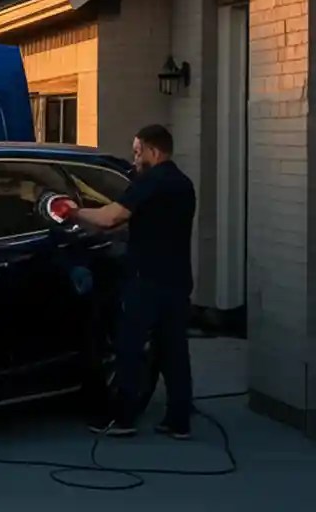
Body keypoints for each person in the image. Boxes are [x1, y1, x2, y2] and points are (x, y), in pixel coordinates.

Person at [67, 124, 197, 439]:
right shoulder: (184, 184)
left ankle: (122, 418)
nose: (135, 159)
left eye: (138, 152)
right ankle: (179, 420)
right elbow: (151, 223)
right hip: (178, 280)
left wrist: (74, 212)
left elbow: (110, 217)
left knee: (129, 349)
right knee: (174, 351)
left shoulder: (150, 182)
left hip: (145, 281)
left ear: (154, 151)